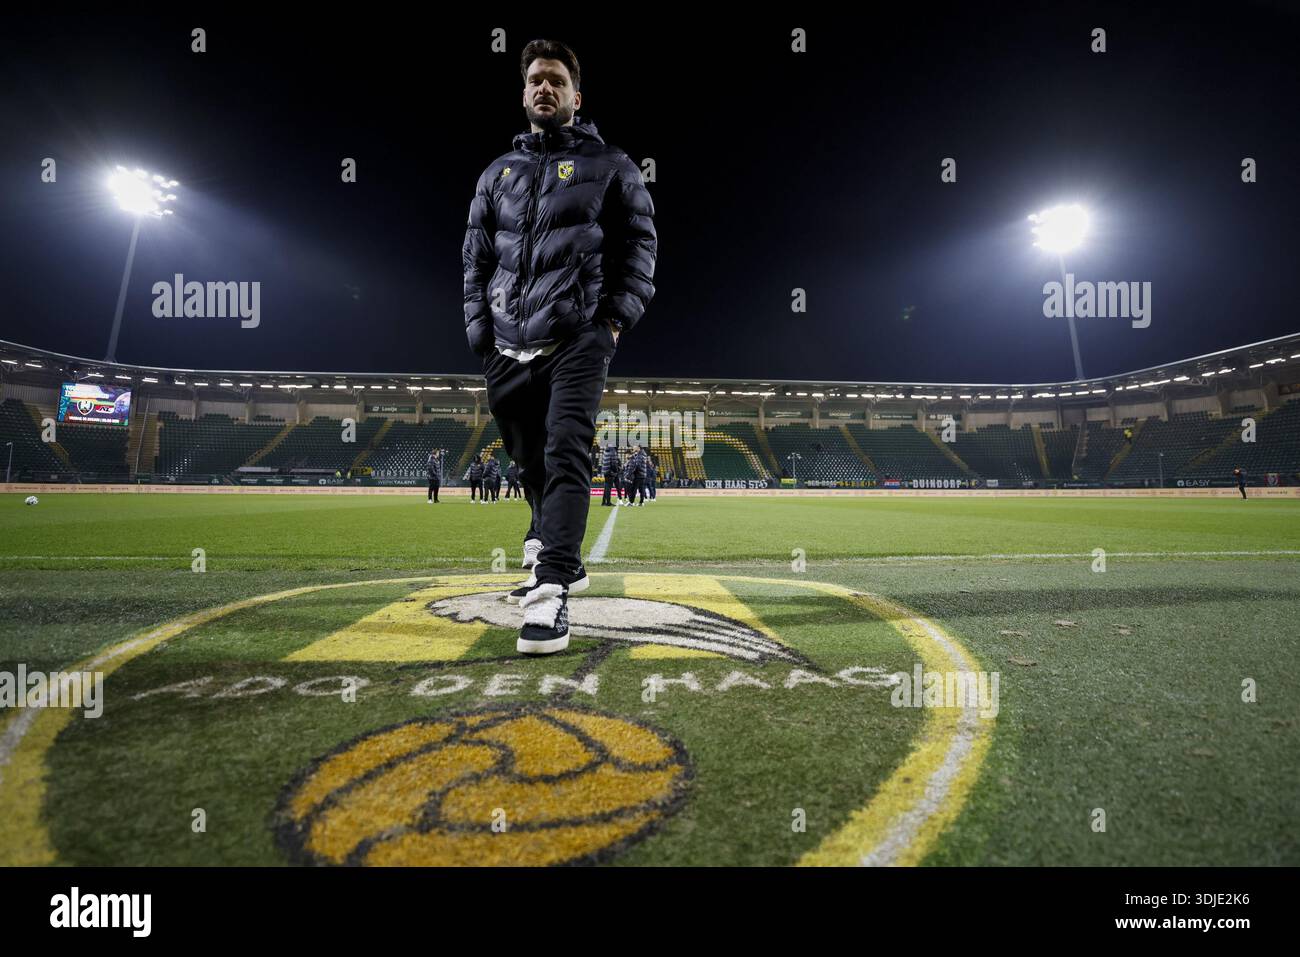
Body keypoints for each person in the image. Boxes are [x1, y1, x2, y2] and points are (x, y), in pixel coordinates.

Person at [463, 38, 656, 654]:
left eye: (556, 80)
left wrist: (612, 323)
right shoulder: (497, 173)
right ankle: (562, 558)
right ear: (524, 93)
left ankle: (550, 591)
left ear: (576, 96)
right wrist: (481, 333)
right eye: (535, 80)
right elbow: (475, 257)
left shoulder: (613, 165)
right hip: (506, 344)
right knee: (530, 465)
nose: (544, 88)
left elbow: (640, 246)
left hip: (577, 337)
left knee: (567, 450)